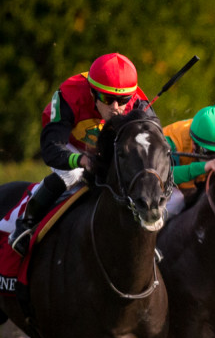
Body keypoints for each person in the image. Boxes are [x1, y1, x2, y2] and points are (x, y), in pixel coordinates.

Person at [11, 53, 156, 255]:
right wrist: (81, 159)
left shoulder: (138, 102)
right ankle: (26, 225)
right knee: (72, 174)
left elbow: (153, 145)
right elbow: (51, 148)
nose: (115, 108)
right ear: (92, 92)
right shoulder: (70, 95)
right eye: (107, 99)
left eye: (122, 100)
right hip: (71, 146)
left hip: (108, 149)